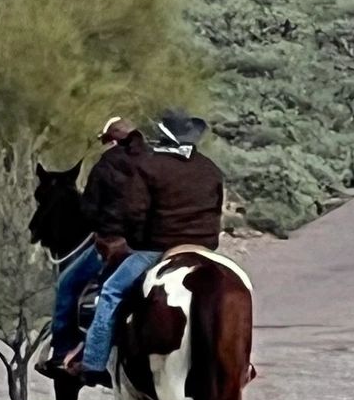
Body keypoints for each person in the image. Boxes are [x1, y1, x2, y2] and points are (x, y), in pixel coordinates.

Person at [77, 110, 224, 385]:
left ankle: (93, 363)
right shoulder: (210, 168)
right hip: (204, 248)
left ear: (163, 136)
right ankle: (241, 364)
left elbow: (135, 213)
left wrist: (136, 241)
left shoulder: (149, 167)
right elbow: (216, 212)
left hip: (158, 249)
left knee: (110, 292)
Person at [37, 117, 142, 380]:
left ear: (114, 141)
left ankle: (62, 352)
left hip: (115, 243)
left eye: (106, 141)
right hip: (151, 244)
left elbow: (89, 211)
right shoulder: (154, 163)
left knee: (67, 284)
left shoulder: (105, 167)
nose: (105, 147)